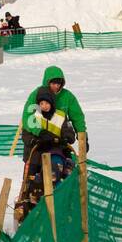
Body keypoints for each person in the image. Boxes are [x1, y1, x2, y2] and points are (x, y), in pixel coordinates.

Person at [17, 85, 78, 224]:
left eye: (47, 103)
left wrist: (66, 137)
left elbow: (69, 131)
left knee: (64, 174)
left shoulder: (61, 116)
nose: (44, 106)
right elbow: (26, 134)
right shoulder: (33, 116)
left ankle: (62, 206)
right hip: (37, 155)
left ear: (52, 103)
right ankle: (28, 211)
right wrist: (35, 139)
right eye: (41, 103)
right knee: (31, 183)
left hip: (58, 152)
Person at [18, 65, 87, 150]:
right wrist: (40, 132)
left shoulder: (67, 96)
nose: (56, 86)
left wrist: (83, 137)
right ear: (47, 82)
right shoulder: (37, 94)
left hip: (57, 139)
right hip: (37, 137)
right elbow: (27, 116)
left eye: (59, 83)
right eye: (53, 83)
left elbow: (77, 117)